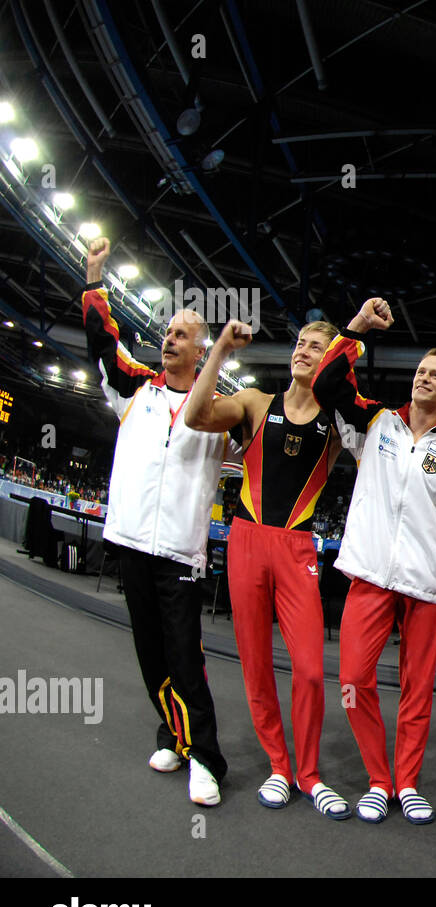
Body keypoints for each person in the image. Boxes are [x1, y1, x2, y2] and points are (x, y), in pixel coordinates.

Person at [310, 301, 436, 825]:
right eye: (420, 371)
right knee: (354, 678)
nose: (423, 378)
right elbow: (325, 384)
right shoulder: (375, 421)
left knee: (417, 689)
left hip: (426, 582)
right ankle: (377, 779)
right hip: (369, 574)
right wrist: (357, 329)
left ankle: (407, 782)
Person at [81, 236, 235, 807]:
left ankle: (207, 760)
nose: (168, 340)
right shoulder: (135, 389)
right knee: (150, 654)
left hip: (179, 552)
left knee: (184, 658)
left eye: (181, 335)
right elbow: (104, 342)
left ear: (202, 351)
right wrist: (94, 278)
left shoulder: (218, 411)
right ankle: (173, 735)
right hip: (129, 541)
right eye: (167, 332)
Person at [184, 312, 353, 819]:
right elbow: (194, 416)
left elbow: (389, 449)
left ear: (331, 361)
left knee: (308, 669)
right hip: (246, 540)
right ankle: (280, 768)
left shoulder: (339, 422)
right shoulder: (257, 404)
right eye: (299, 342)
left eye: (316, 346)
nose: (302, 349)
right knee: (256, 663)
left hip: (298, 546)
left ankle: (311, 774)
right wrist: (220, 350)